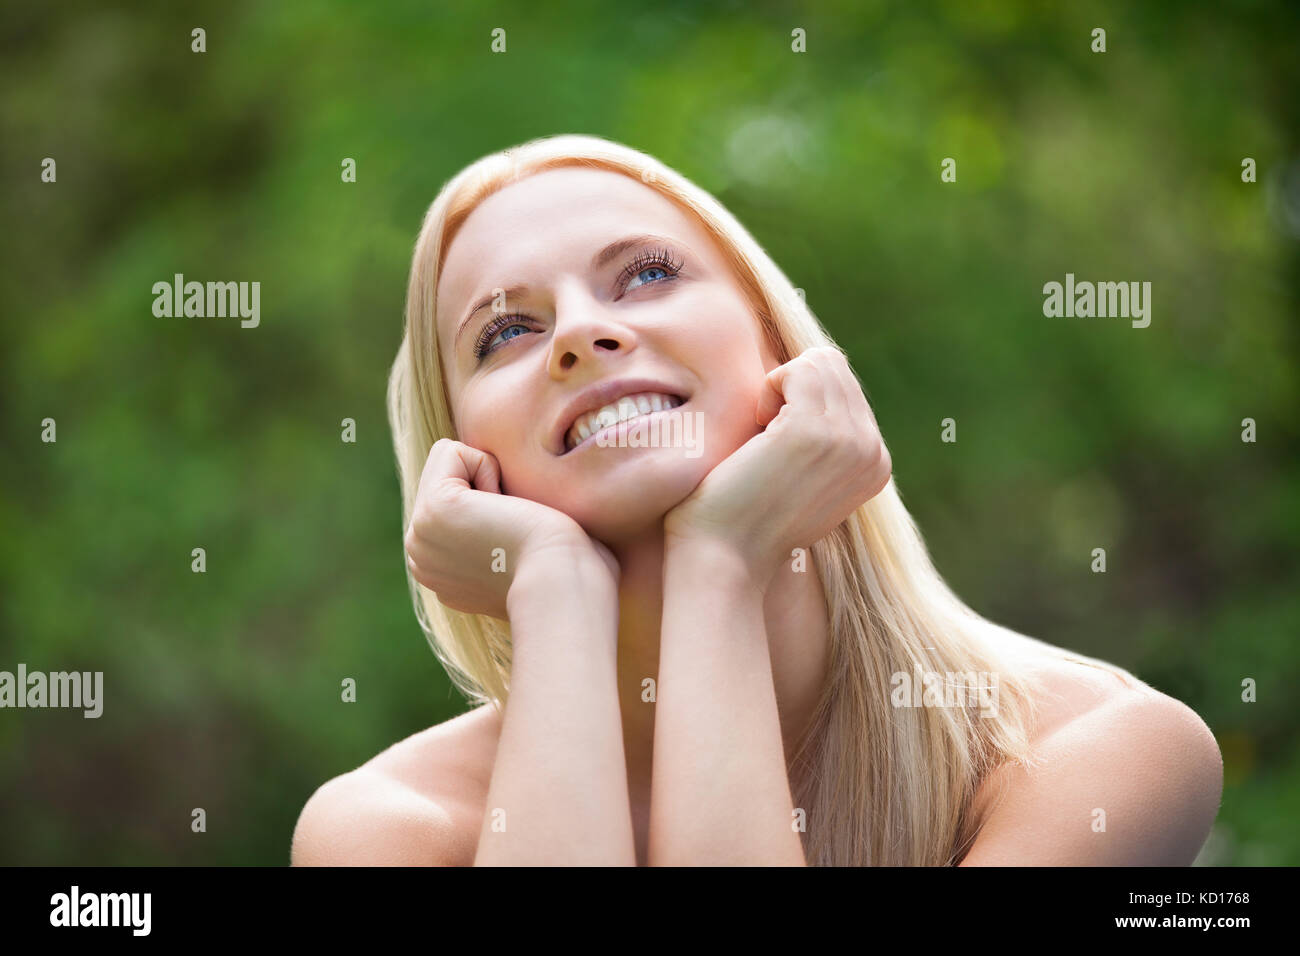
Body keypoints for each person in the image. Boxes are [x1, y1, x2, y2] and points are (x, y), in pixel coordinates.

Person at [291, 134, 1223, 866]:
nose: (580, 332)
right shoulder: (388, 830)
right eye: (505, 332)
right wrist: (552, 587)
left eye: (648, 274)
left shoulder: (1096, 753)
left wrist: (719, 560)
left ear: (778, 345)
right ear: (460, 458)